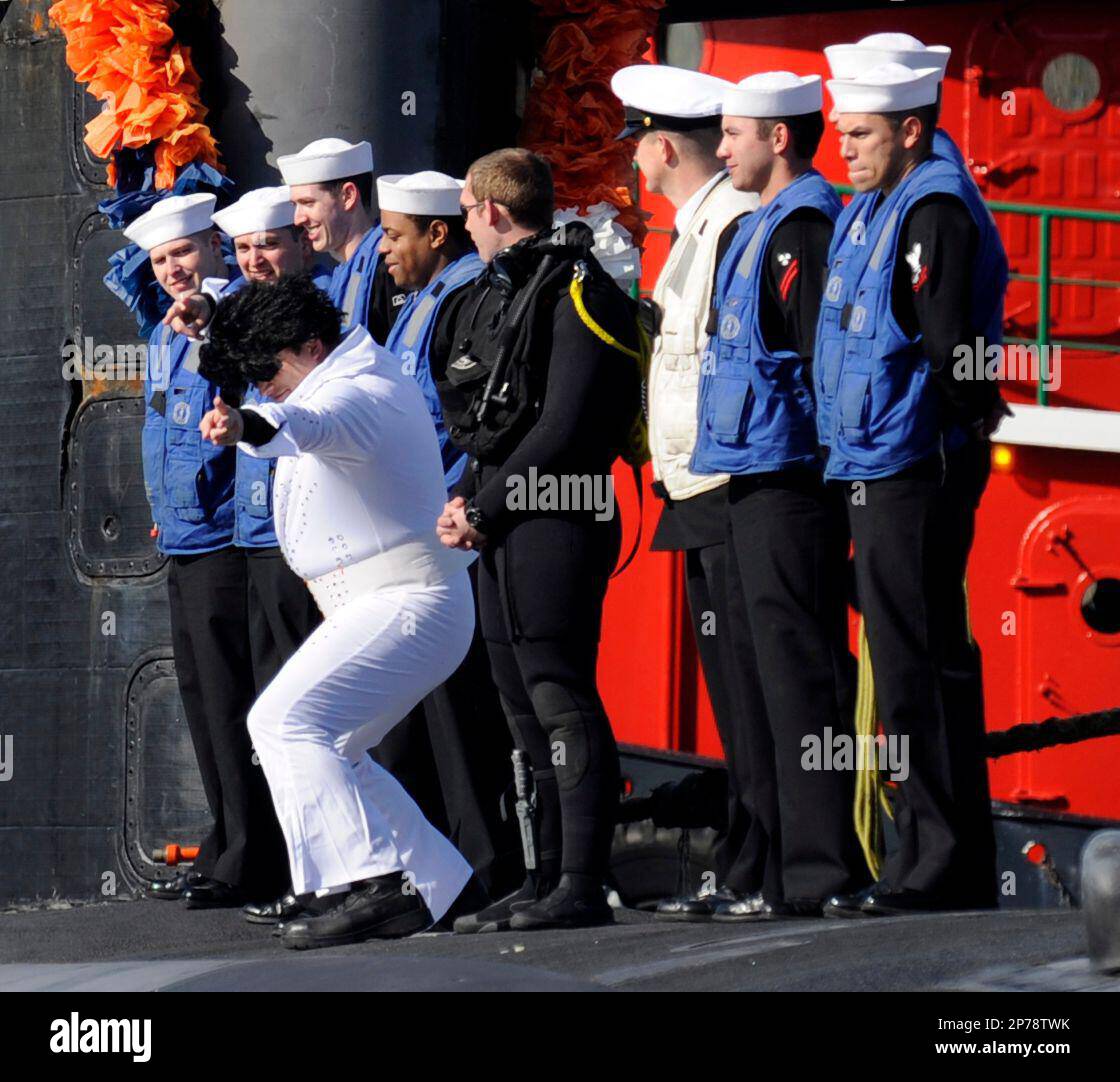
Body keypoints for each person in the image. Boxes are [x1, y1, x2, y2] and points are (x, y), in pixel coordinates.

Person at [198, 274, 477, 948]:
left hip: (408, 600)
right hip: (387, 602)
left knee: (284, 721)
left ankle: (375, 886)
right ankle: (438, 881)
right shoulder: (338, 373)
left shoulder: (360, 391)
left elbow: (309, 424)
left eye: (266, 370)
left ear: (311, 345)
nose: (262, 384)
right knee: (334, 747)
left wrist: (248, 425)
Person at [430, 148, 643, 931]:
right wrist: (472, 503)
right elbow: (488, 420)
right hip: (503, 520)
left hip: (556, 517)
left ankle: (582, 882)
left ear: (490, 209)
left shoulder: (576, 290)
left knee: (559, 696)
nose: (462, 222)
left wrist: (482, 509)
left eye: (464, 208)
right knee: (519, 705)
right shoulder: (503, 292)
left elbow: (565, 427)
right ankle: (542, 874)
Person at [815, 62, 1009, 916]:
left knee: (914, 667)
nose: (842, 146)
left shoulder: (933, 207)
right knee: (912, 661)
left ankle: (934, 863)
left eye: (859, 132)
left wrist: (966, 423)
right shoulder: (882, 206)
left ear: (909, 129)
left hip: (909, 464)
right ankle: (942, 855)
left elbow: (948, 342)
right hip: (880, 458)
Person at [691, 72, 869, 920]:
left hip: (792, 485)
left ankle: (821, 869)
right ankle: (782, 873)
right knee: (763, 679)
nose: (721, 149)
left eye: (734, 133)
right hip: (750, 477)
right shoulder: (757, 228)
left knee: (801, 680)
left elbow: (820, 367)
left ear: (781, 138)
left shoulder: (804, 230)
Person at [610, 63, 762, 921]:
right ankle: (747, 861)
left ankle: (761, 866)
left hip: (725, 482)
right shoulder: (698, 229)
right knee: (734, 690)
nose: (634, 160)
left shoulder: (730, 226)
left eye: (638, 144)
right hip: (695, 483)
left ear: (662, 146)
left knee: (748, 685)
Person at [126, 193, 289, 909]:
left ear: (216, 250)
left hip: (225, 535)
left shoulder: (229, 316)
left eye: (184, 252)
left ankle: (253, 854)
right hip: (183, 536)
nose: (172, 270)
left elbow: (245, 373)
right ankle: (227, 839)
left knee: (233, 699)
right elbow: (165, 430)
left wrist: (209, 320)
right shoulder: (163, 334)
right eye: (161, 260)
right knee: (201, 698)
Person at [371, 171, 522, 901]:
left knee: (459, 715)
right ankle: (444, 865)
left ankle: (481, 866)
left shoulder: (461, 299)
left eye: (395, 236)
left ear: (438, 233)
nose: (383, 251)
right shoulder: (420, 303)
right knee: (424, 707)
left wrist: (454, 501)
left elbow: (462, 422)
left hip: (446, 526)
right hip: (417, 524)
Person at [277, 137, 406, 343]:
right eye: (295, 206)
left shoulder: (389, 266)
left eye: (308, 203)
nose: (298, 219)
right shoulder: (343, 271)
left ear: (348, 195)